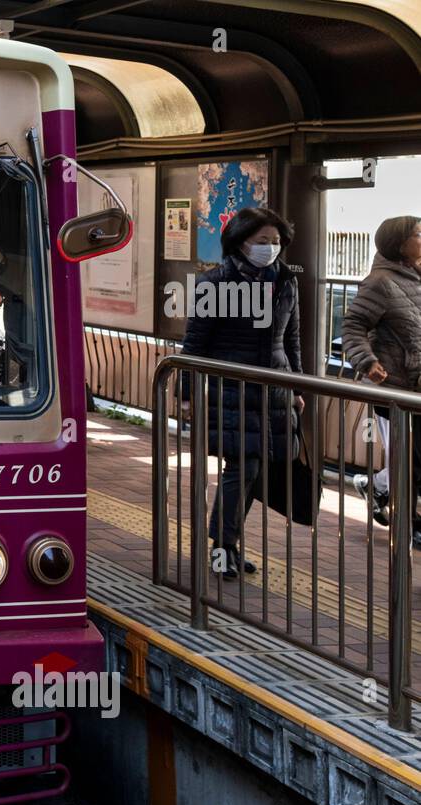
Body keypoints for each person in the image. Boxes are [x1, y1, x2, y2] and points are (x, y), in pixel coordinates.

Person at [182, 207, 305, 579]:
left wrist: (297, 385)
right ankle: (222, 548)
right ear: (240, 242)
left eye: (277, 242)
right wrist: (188, 395)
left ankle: (228, 544)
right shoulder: (215, 283)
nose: (271, 248)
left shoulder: (286, 280)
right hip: (231, 389)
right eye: (262, 242)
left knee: (256, 467)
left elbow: (293, 338)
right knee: (244, 465)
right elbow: (195, 343)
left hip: (274, 388)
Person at [341, 215, 421, 545]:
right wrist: (368, 361)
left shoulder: (417, 277)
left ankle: (383, 493)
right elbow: (352, 326)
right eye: (419, 234)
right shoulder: (380, 282)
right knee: (409, 462)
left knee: (412, 463)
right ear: (399, 243)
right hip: (397, 388)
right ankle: (407, 525)